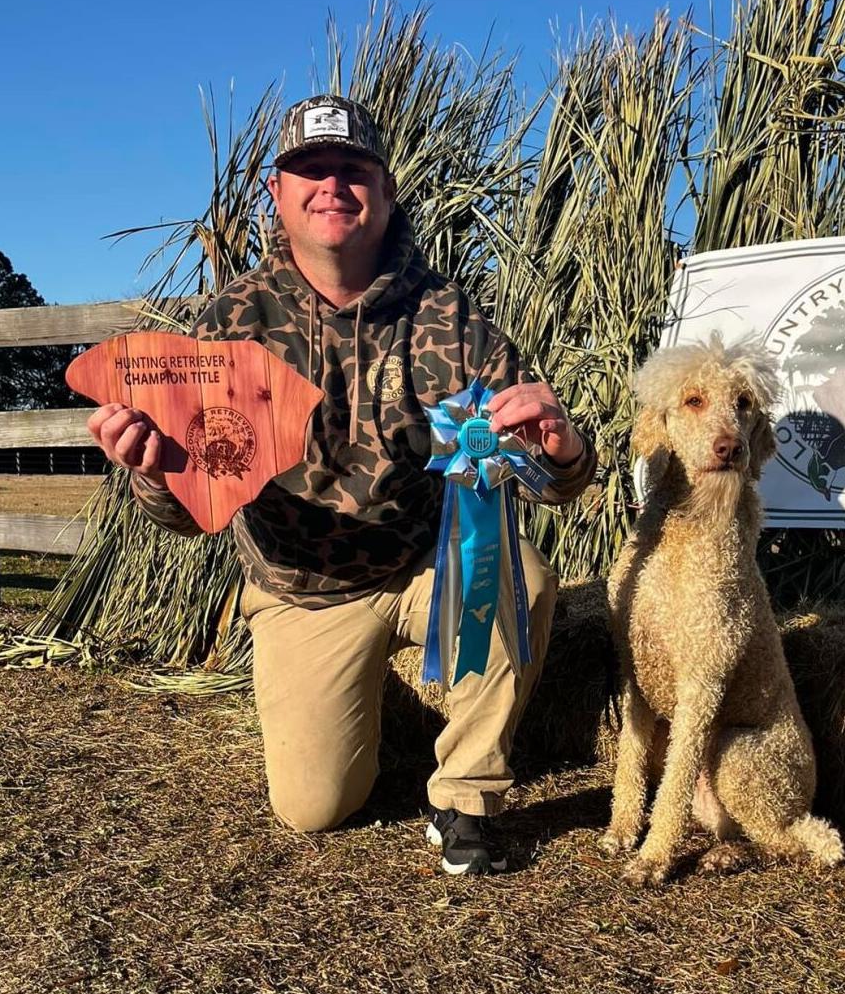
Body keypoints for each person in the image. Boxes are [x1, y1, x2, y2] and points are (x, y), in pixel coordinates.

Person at [86, 95, 596, 876]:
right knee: (314, 808)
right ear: (276, 194)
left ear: (385, 189)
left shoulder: (449, 316)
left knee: (517, 574)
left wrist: (560, 449)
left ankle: (463, 797)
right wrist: (153, 470)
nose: (332, 186)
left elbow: (542, 480)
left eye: (353, 170)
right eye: (310, 171)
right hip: (304, 588)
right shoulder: (231, 322)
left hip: (428, 562)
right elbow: (192, 512)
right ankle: (367, 702)